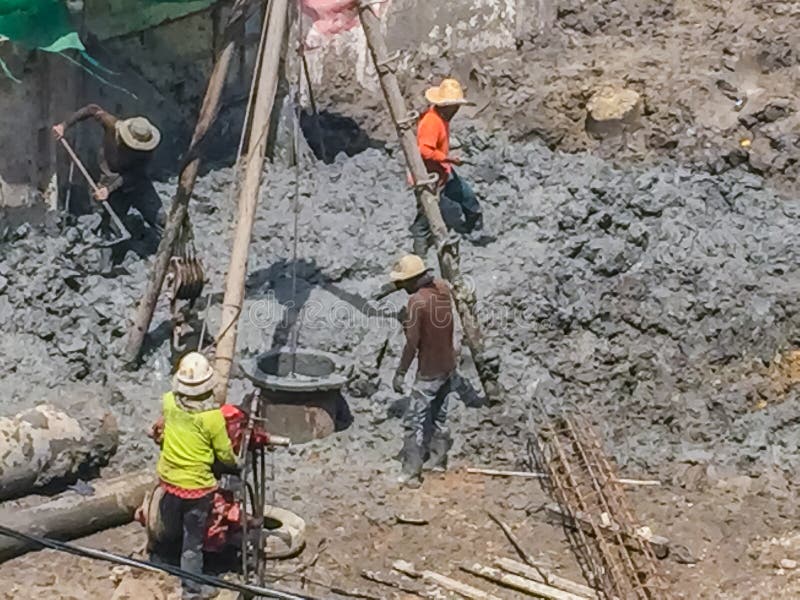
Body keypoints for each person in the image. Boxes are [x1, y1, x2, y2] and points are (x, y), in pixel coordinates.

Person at [151, 352, 237, 600]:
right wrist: (236, 463)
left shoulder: (168, 401)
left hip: (168, 478)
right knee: (193, 542)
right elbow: (223, 452)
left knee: (170, 521)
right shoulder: (212, 417)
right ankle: (192, 590)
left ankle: (162, 558)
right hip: (197, 487)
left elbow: (165, 429)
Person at [52, 104, 163, 270]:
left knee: (161, 219)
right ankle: (107, 267)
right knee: (111, 228)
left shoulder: (147, 150)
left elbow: (134, 175)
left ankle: (174, 256)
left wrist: (108, 190)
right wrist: (64, 125)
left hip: (137, 182)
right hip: (110, 179)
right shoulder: (112, 125)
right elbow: (91, 109)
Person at [390, 254, 458, 487]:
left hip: (429, 369)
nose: (402, 287)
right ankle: (438, 462)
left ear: (413, 280)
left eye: (404, 282)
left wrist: (400, 372)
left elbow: (412, 343)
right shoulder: (442, 288)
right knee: (439, 416)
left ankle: (411, 473)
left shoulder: (417, 301)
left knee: (414, 420)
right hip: (448, 365)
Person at [411, 78, 487, 256]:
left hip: (442, 171)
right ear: (445, 106)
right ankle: (419, 255)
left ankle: (474, 232)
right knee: (426, 217)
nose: (457, 110)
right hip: (428, 176)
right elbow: (424, 150)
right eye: (455, 106)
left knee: (465, 195)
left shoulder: (442, 118)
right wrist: (448, 158)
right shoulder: (432, 121)